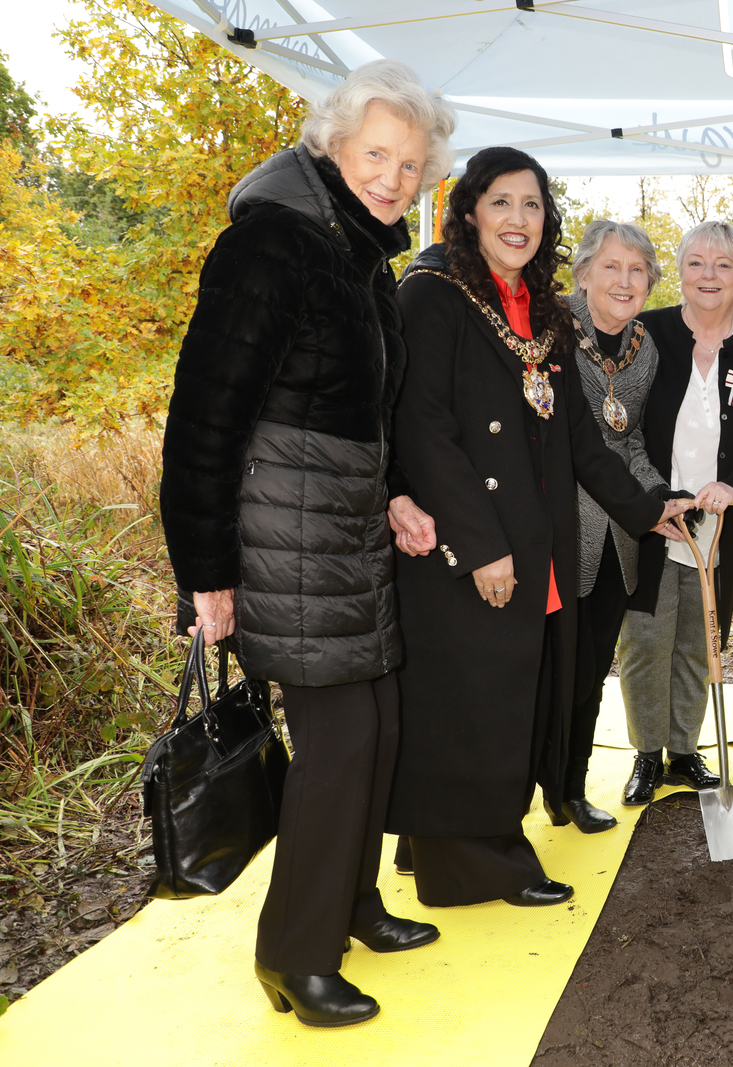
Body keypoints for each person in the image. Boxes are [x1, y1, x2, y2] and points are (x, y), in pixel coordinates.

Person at [159, 60, 456, 1027]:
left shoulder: (359, 254)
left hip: (343, 533)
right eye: (377, 154)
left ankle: (353, 900)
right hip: (276, 536)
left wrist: (396, 498)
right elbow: (205, 417)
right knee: (341, 738)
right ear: (330, 143)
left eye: (412, 165)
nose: (393, 178)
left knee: (383, 722)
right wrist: (204, 572)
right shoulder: (275, 244)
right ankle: (295, 953)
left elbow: (353, 414)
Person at [385, 148, 690, 910]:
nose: (519, 220)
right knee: (471, 701)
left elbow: (581, 439)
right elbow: (422, 429)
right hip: (473, 545)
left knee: (499, 697)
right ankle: (481, 864)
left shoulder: (540, 311)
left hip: (535, 544)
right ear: (468, 212)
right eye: (501, 203)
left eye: (532, 206)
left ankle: (435, 843)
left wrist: (650, 509)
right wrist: (480, 546)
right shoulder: (434, 295)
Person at [618, 220, 733, 805]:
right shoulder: (647, 332)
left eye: (723, 264)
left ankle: (684, 751)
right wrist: (652, 494)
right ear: (681, 272)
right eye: (696, 263)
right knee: (646, 637)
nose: (709, 275)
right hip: (651, 515)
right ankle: (646, 754)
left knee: (699, 637)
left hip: (720, 522)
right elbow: (624, 421)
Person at [555, 220, 671, 833]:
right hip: (553, 527)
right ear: (583, 274)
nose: (625, 282)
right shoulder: (547, 329)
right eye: (611, 267)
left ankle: (568, 790)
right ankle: (518, 789)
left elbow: (628, 441)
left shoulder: (644, 348)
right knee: (547, 669)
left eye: (637, 270)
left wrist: (660, 498)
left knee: (592, 665)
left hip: (617, 535)